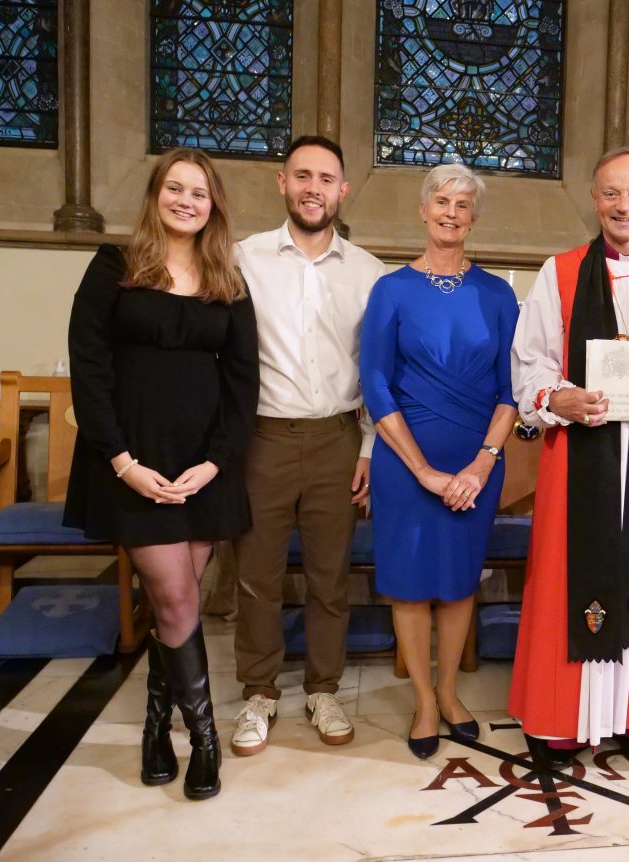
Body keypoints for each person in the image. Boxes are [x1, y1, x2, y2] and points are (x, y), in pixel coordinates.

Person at [64, 148, 259, 800]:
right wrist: (120, 460)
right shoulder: (114, 267)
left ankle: (155, 725)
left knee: (176, 603)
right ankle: (204, 741)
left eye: (198, 193)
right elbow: (88, 367)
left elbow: (242, 383)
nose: (185, 201)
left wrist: (214, 462)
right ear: (155, 195)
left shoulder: (226, 279)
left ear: (213, 206)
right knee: (176, 599)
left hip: (203, 465)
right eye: (175, 188)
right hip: (132, 462)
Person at [509, 147, 629, 771]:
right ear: (594, 200)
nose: (625, 206)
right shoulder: (560, 271)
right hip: (581, 454)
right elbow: (530, 358)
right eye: (612, 194)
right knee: (574, 570)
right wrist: (555, 398)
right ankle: (563, 719)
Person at [230, 136, 386, 756]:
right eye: (302, 176)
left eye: (326, 178)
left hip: (338, 440)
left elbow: (375, 369)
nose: (313, 188)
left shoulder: (369, 272)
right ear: (282, 183)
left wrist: (371, 446)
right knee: (256, 576)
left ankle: (323, 688)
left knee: (329, 576)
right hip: (263, 438)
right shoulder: (242, 259)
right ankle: (260, 691)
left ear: (342, 190)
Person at [360, 164, 519, 759]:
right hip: (406, 462)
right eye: (442, 202)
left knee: (458, 584)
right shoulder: (391, 290)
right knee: (408, 585)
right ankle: (424, 701)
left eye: (463, 205)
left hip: (477, 463)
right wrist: (423, 470)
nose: (451, 213)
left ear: (474, 218)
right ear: (423, 211)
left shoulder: (498, 295)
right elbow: (374, 382)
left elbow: (513, 389)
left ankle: (452, 694)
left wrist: (481, 464)